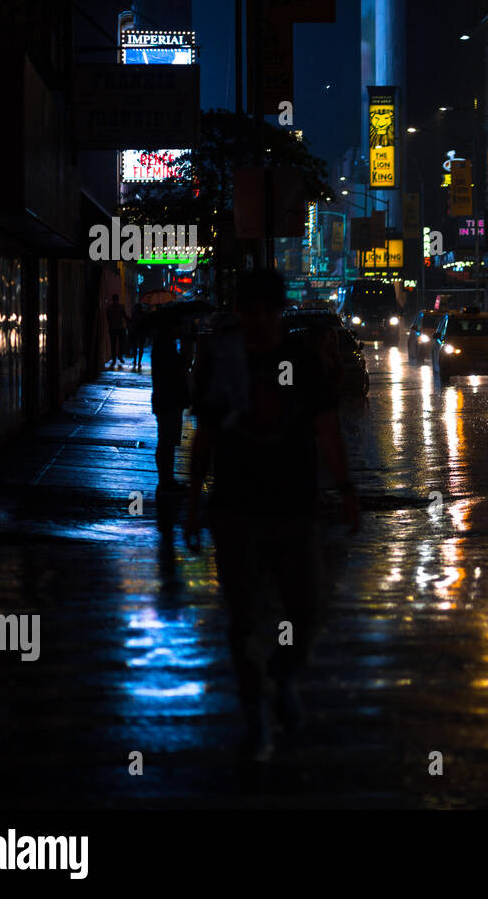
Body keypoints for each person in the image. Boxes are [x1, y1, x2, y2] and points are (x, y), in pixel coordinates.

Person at [185, 270, 359, 762]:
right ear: (241, 311)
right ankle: (255, 707)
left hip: (293, 507)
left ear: (278, 310)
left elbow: (328, 427)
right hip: (237, 508)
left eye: (268, 309)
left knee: (304, 610)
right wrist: (194, 502)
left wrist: (346, 489)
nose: (259, 318)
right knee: (243, 617)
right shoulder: (226, 361)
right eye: (250, 309)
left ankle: (283, 674)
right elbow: (206, 436)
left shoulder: (301, 362)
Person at [150, 323, 189, 491]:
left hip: (166, 399)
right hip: (169, 399)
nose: (179, 329)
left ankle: (167, 479)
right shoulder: (165, 349)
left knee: (167, 441)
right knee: (166, 441)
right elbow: (178, 369)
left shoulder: (164, 348)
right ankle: (165, 480)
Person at [105, 294, 127, 368]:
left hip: (113, 328)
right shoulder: (120, 307)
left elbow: (108, 317)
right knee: (120, 343)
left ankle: (116, 358)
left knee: (114, 344)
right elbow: (125, 316)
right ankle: (118, 357)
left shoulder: (110, 308)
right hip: (119, 327)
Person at [129, 302, 147, 371]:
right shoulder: (144, 314)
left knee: (135, 347)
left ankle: (136, 360)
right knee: (140, 347)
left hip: (137, 332)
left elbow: (132, 322)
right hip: (141, 332)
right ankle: (138, 361)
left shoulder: (135, 314)